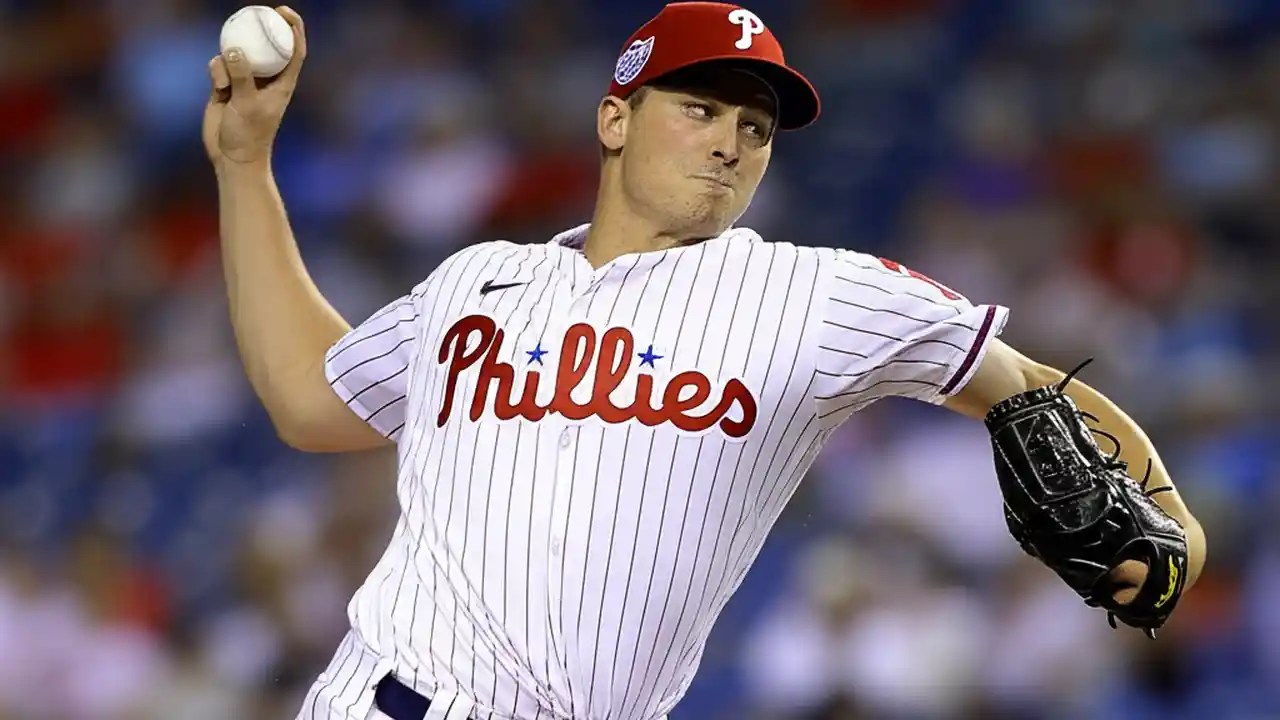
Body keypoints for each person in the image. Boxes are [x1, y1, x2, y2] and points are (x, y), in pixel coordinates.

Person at [202, 4, 1207, 720]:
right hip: (385, 698)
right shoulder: (477, 279)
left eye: (755, 127)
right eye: (700, 107)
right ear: (614, 118)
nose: (730, 142)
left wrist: (1177, 531)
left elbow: (1027, 386)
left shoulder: (814, 295)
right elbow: (309, 402)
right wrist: (243, 165)